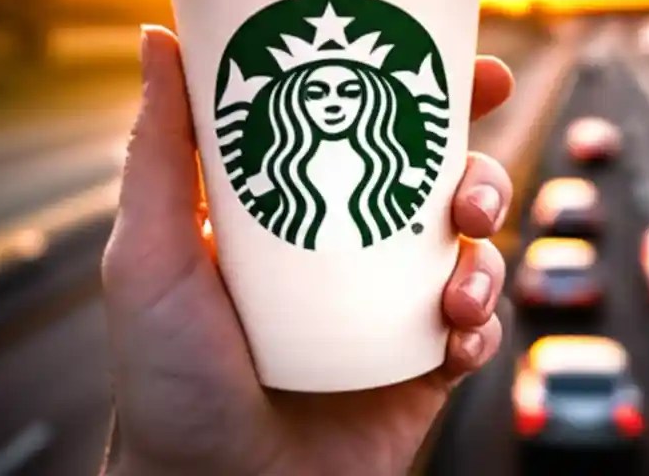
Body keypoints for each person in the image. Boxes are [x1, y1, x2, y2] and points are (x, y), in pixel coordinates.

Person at [101, 26, 512, 475]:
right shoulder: (275, 177)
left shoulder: (388, 173)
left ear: (374, 99)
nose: (333, 103)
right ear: (293, 99)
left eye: (349, 90)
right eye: (316, 90)